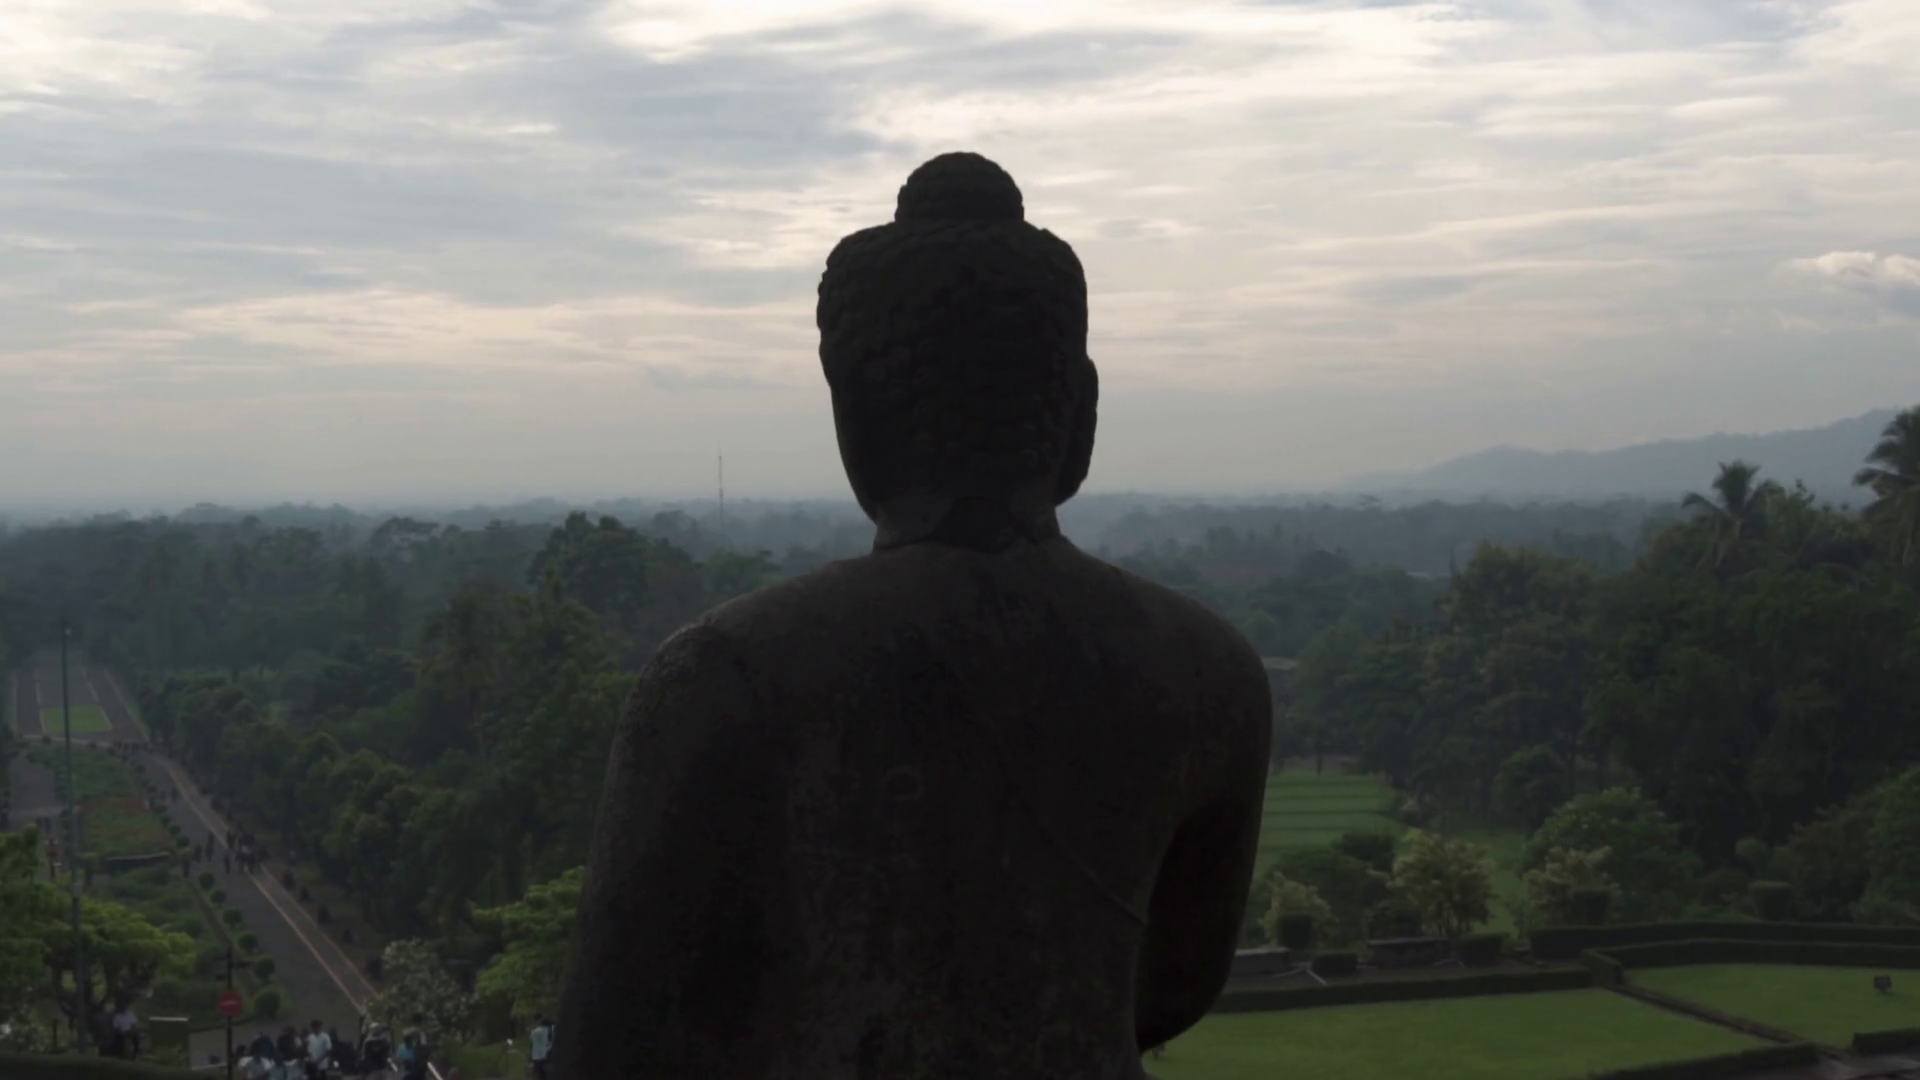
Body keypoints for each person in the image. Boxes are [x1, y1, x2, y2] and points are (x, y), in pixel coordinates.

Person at [551, 152, 1272, 1077]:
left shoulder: (732, 673)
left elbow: (610, 1044)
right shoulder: (1210, 671)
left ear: (853, 410)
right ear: (1082, 416)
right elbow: (1170, 989)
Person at [527, 1015, 554, 1080]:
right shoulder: (550, 1030)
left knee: (539, 1073)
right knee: (546, 1072)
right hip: (546, 1054)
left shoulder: (535, 1031)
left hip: (537, 1055)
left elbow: (531, 1041)